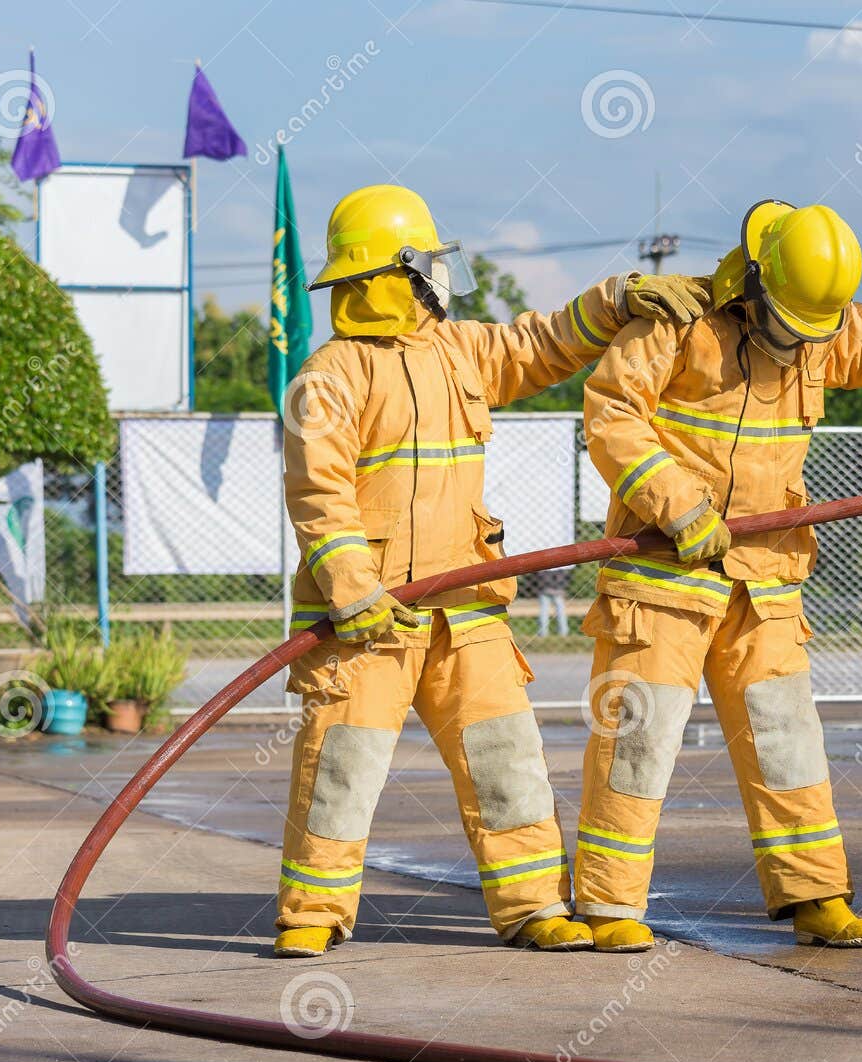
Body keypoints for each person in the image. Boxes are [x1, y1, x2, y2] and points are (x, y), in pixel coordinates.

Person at [571, 199, 862, 952]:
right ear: (752, 285)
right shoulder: (677, 325)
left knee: (787, 742)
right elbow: (612, 413)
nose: (799, 346)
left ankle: (814, 894)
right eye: (787, 328)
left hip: (767, 581)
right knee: (638, 741)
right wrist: (678, 504)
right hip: (663, 579)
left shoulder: (818, 329)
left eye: (812, 333)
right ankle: (608, 903)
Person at [272, 184, 711, 958]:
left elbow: (539, 343)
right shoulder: (328, 376)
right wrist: (353, 589)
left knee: (507, 759)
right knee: (342, 764)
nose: (440, 280)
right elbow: (319, 492)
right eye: (427, 266)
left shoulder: (460, 351)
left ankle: (533, 906)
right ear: (395, 275)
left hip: (466, 607)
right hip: (370, 619)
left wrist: (615, 298)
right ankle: (311, 909)